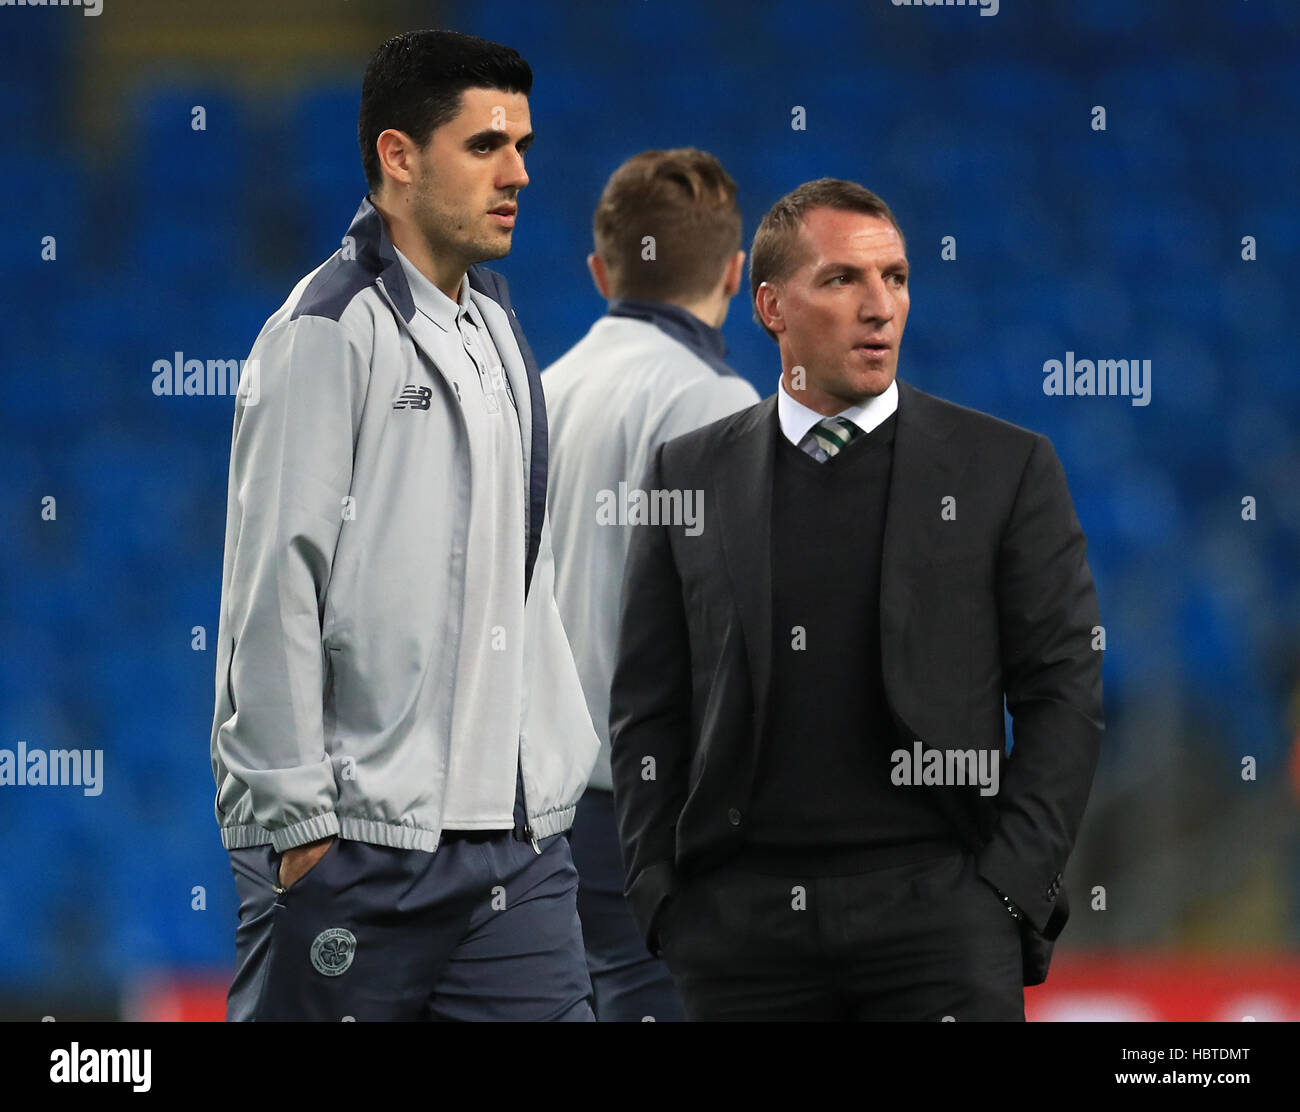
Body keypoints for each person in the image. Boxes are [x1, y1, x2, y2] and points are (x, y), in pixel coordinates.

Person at [609, 178, 1104, 1021]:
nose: (881, 307)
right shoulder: (686, 474)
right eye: (843, 280)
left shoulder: (1004, 469)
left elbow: (1063, 693)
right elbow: (647, 706)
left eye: (897, 278)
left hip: (940, 921)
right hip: (741, 935)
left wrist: (1008, 888)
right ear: (771, 306)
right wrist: (663, 891)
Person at [209, 29, 599, 1021]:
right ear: (398, 156)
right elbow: (273, 584)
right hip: (362, 849)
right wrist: (302, 830)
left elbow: (521, 574)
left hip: (513, 852)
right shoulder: (323, 332)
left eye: (523, 144)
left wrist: (545, 773)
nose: (518, 172)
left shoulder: (501, 326)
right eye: (485, 146)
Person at [542, 148, 760, 1020]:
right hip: (647, 818)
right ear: (736, 275)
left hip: (525, 817)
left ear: (602, 270)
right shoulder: (715, 404)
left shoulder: (536, 394)